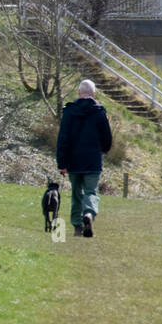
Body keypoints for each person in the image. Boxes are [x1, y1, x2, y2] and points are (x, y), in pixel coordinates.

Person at [56, 79, 113, 237]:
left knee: (76, 193)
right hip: (92, 160)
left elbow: (63, 139)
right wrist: (104, 150)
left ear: (79, 93)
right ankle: (89, 214)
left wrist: (62, 163)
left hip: (73, 161)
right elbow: (107, 137)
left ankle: (77, 227)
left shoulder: (69, 112)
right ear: (93, 94)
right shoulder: (99, 112)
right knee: (91, 192)